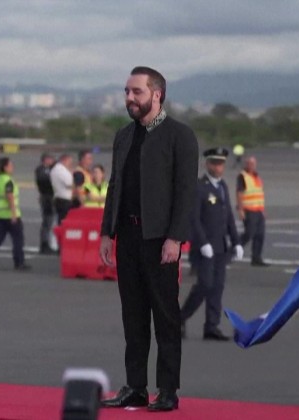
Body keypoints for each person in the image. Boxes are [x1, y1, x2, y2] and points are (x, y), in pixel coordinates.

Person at [99, 66, 198, 412]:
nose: (129, 98)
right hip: (127, 236)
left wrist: (175, 238)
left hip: (160, 242)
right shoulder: (123, 136)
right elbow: (115, 186)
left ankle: (168, 390)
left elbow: (186, 193)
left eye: (136, 92)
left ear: (156, 94)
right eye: (126, 91)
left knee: (165, 317)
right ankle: (135, 386)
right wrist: (106, 232)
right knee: (134, 316)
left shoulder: (179, 136)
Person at [180, 148, 242, 341]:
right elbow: (194, 218)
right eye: (215, 163)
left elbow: (228, 216)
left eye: (221, 163)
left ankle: (212, 326)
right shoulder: (199, 187)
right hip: (205, 247)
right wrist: (203, 242)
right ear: (207, 164)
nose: (218, 167)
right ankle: (179, 318)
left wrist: (236, 241)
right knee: (204, 285)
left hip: (221, 246)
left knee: (217, 287)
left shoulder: (222, 186)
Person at [236, 156, 267, 266]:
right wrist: (240, 209)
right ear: (246, 164)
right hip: (249, 210)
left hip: (258, 210)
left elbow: (259, 194)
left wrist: (262, 210)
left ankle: (256, 258)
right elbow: (239, 193)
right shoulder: (243, 176)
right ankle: (233, 249)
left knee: (260, 235)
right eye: (249, 163)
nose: (251, 165)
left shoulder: (256, 176)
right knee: (249, 233)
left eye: (253, 163)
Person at [34, 152, 56, 254]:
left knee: (50, 221)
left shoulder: (50, 169)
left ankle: (46, 243)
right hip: (47, 198)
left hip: (50, 198)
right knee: (47, 221)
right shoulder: (41, 170)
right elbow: (45, 181)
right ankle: (44, 244)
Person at [51, 154, 74, 223]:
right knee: (64, 220)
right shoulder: (61, 170)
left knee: (61, 219)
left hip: (59, 198)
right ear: (65, 160)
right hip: (64, 200)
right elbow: (69, 184)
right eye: (70, 162)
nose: (70, 165)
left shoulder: (56, 169)